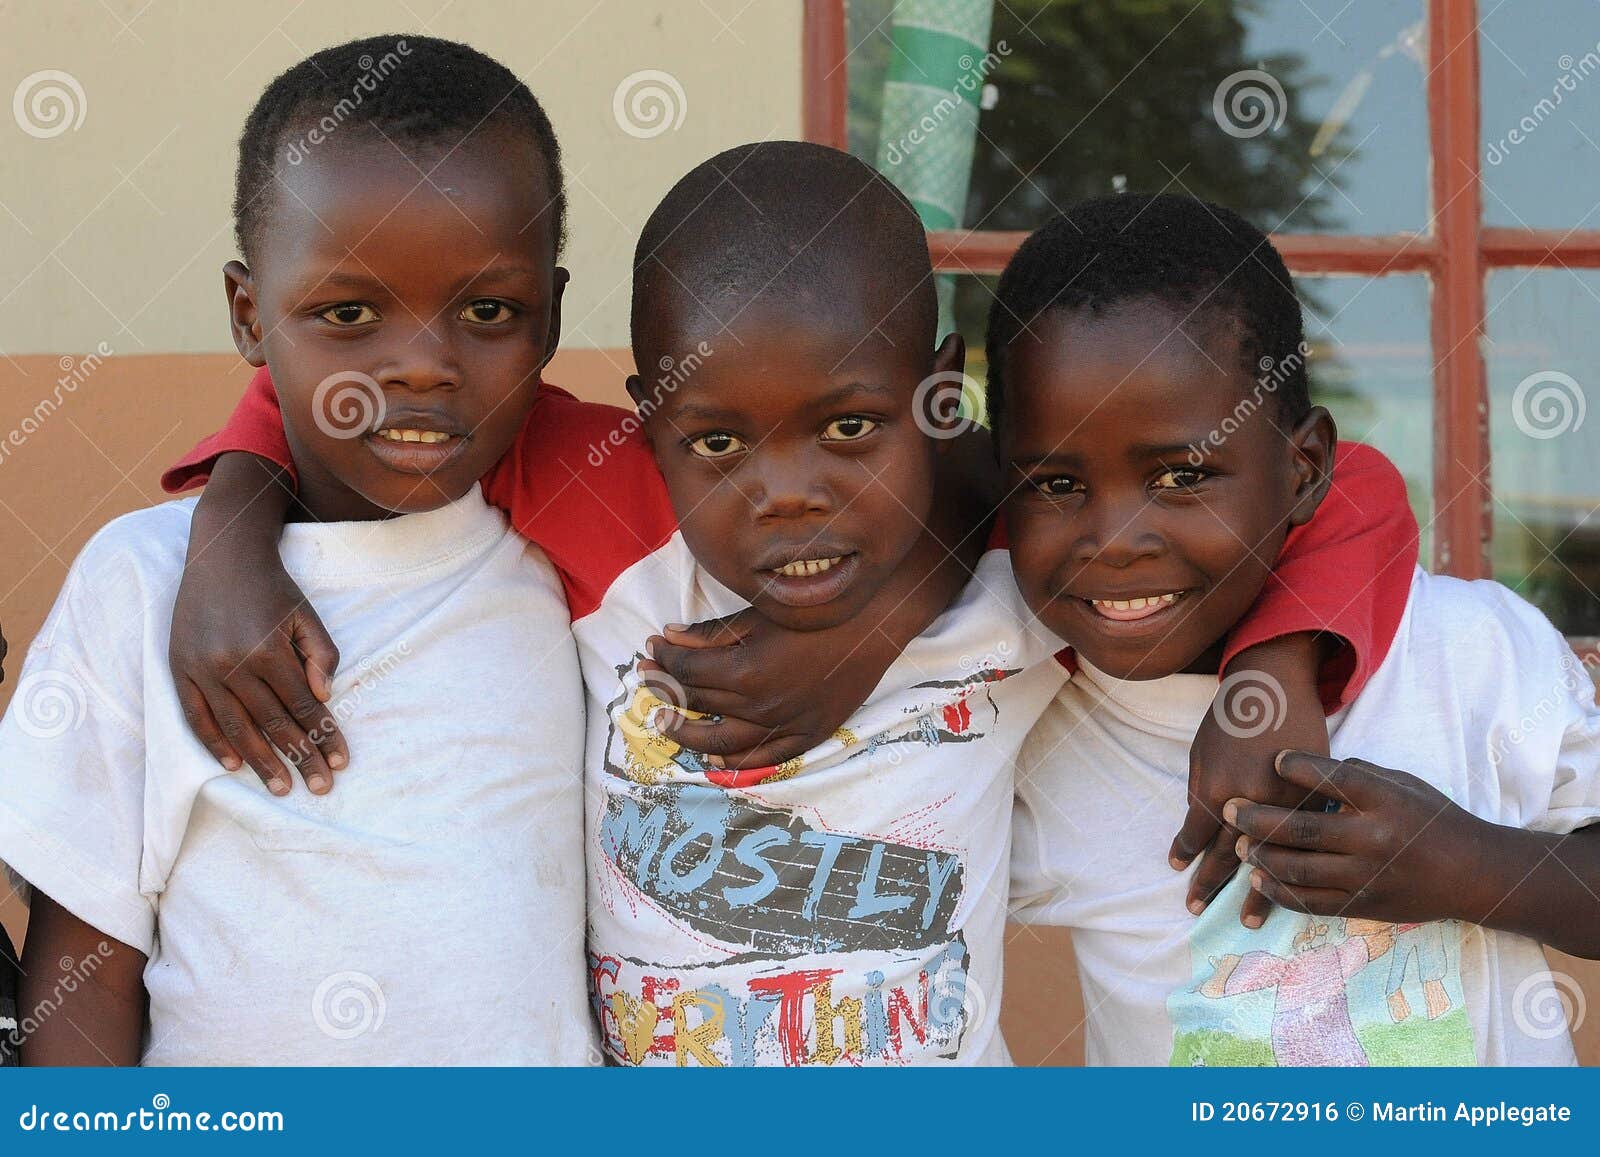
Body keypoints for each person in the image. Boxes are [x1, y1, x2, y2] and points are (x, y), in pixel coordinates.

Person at [161, 144, 1419, 1065]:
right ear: (651, 418)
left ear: (936, 397)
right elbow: (388, 389)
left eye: (850, 427)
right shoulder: (620, 507)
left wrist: (1284, 667)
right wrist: (229, 517)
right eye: (715, 439)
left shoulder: (1032, 556)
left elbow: (1343, 481)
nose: (787, 498)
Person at [0, 35, 595, 1065]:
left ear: (550, 315)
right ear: (247, 315)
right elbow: (85, 963)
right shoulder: (142, 584)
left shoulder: (580, 566)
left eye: (488, 310)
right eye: (349, 313)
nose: (421, 365)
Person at [1000, 194, 1600, 1065]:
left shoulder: (1474, 652)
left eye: (1181, 475)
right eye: (1055, 484)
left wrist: (1471, 868)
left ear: (1305, 467)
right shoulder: (1031, 719)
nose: (1116, 541)